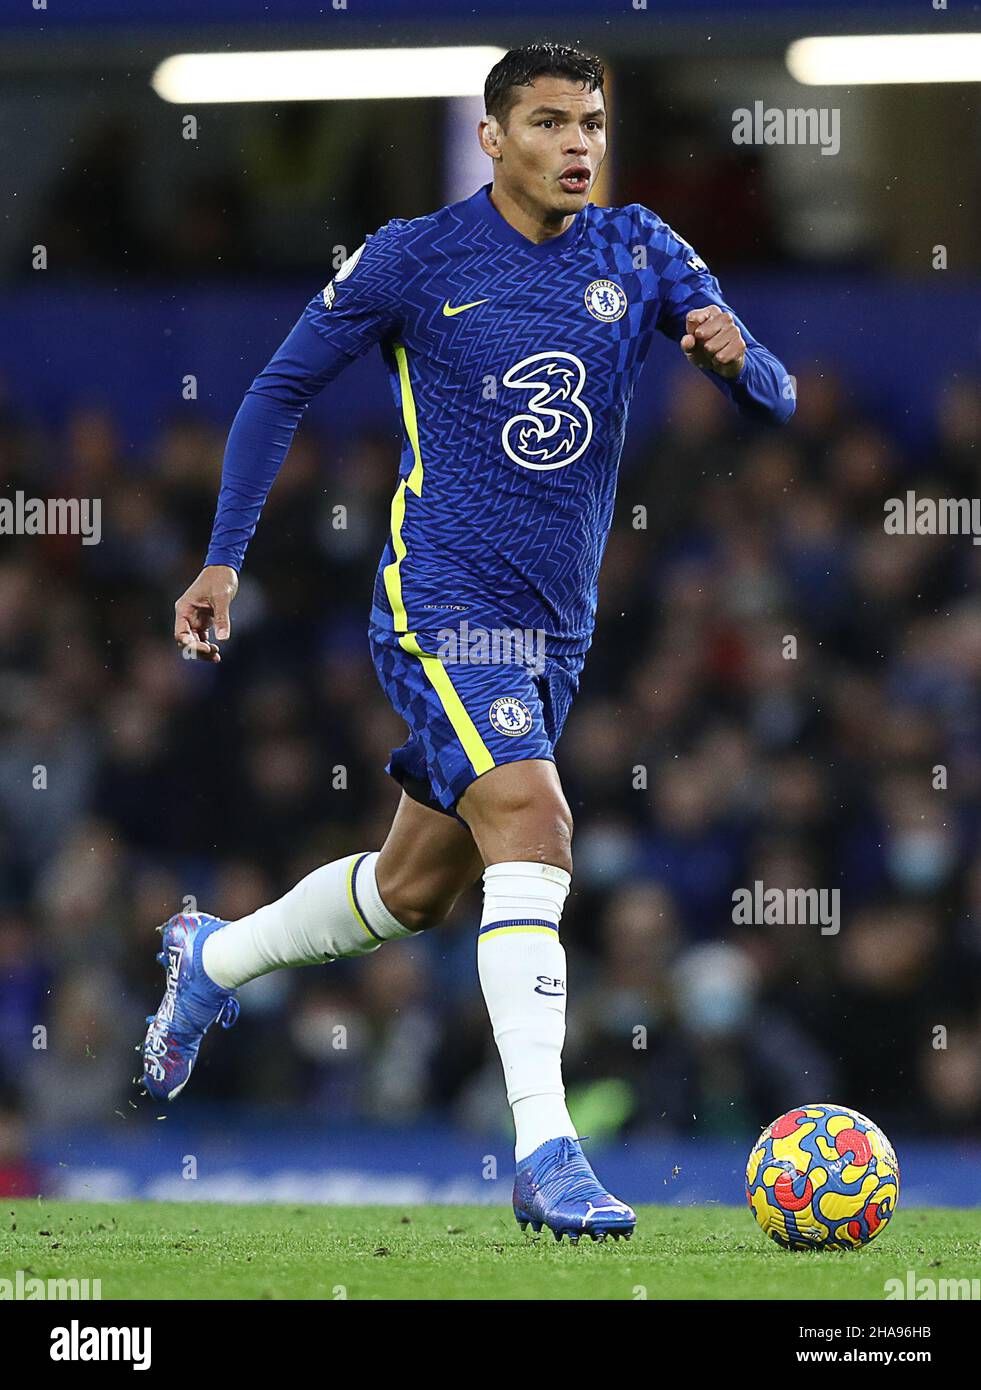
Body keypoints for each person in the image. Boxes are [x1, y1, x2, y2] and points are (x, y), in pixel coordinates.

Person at [142, 42, 795, 1243]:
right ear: (492, 138)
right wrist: (225, 556)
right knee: (536, 823)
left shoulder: (640, 246)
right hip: (438, 601)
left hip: (557, 630)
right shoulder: (413, 255)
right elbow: (276, 390)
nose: (579, 144)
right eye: (549, 122)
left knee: (413, 889)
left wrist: (735, 359)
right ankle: (547, 1151)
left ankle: (214, 959)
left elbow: (781, 396)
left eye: (592, 120)